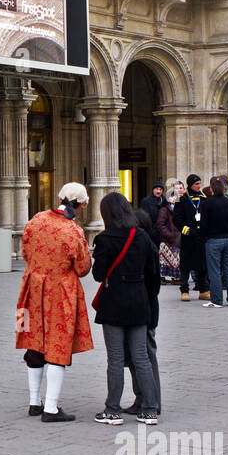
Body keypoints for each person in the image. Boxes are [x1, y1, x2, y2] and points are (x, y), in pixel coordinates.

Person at [15, 182, 93, 423]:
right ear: (80, 206)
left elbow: (25, 253)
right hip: (60, 293)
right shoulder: (73, 231)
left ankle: (34, 402)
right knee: (58, 345)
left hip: (32, 289)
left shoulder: (36, 220)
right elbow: (82, 268)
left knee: (34, 342)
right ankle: (51, 407)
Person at [91, 192, 160, 425]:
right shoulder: (141, 236)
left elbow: (98, 274)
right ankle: (150, 409)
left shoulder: (104, 239)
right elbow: (153, 275)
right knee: (141, 358)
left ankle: (112, 410)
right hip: (139, 301)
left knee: (116, 359)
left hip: (114, 302)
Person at [121, 208, 163, 420]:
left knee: (146, 355)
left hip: (145, 309)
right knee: (137, 356)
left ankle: (152, 401)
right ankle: (141, 398)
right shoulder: (144, 245)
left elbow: (154, 284)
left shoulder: (147, 247)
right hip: (142, 307)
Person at [200, 177, 228, 307]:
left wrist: (204, 237)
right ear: (223, 189)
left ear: (211, 189)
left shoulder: (207, 203)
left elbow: (203, 224)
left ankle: (217, 300)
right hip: (227, 239)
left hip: (213, 240)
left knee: (214, 271)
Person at [171, 174, 210, 301]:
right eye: (196, 184)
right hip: (188, 237)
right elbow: (176, 218)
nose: (199, 186)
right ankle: (184, 290)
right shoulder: (182, 200)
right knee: (185, 265)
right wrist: (185, 229)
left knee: (202, 264)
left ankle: (203, 289)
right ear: (190, 185)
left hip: (201, 237)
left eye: (200, 183)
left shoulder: (204, 199)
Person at [156, 181, 182, 284]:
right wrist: (170, 235)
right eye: (171, 197)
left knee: (176, 260)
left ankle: (175, 278)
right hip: (167, 239)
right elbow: (161, 225)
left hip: (177, 238)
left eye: (175, 197)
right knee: (166, 261)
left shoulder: (179, 208)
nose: (174, 199)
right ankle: (163, 278)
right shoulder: (164, 210)